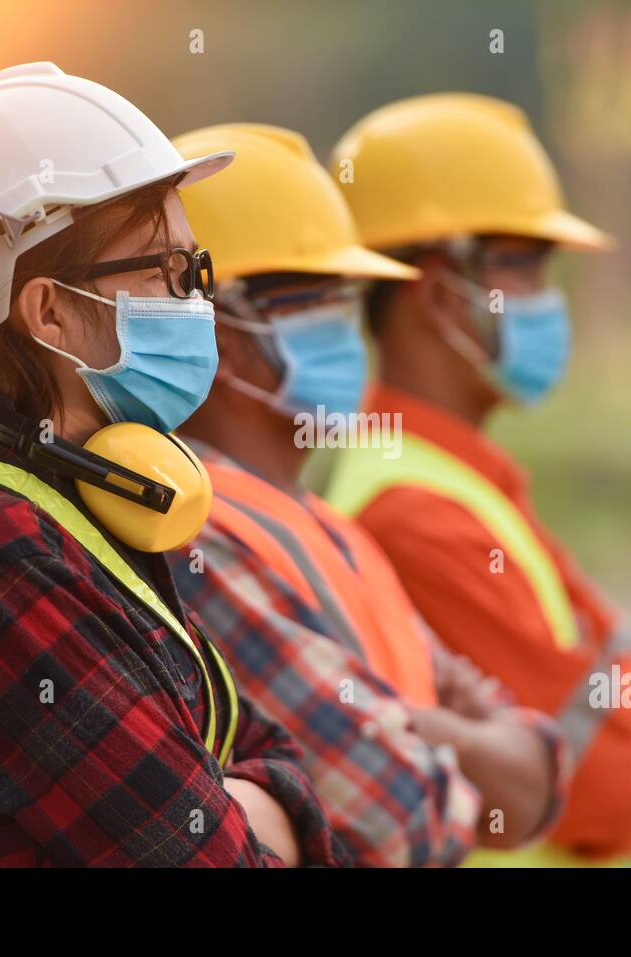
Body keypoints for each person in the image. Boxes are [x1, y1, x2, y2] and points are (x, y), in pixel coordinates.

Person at [0, 64, 346, 868]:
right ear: (48, 308)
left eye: (195, 271)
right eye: (165, 270)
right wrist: (247, 803)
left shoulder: (91, 505)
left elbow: (261, 746)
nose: (195, 300)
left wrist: (250, 795)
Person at [165, 123, 570, 867]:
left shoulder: (327, 528)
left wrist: (417, 730)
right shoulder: (194, 530)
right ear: (213, 325)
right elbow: (401, 815)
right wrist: (447, 734)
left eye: (340, 297)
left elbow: (535, 783)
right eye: (307, 297)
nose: (341, 326)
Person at [324, 94, 631, 864]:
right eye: (525, 267)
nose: (548, 300)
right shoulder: (412, 512)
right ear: (436, 293)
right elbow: (612, 791)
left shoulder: (457, 476)